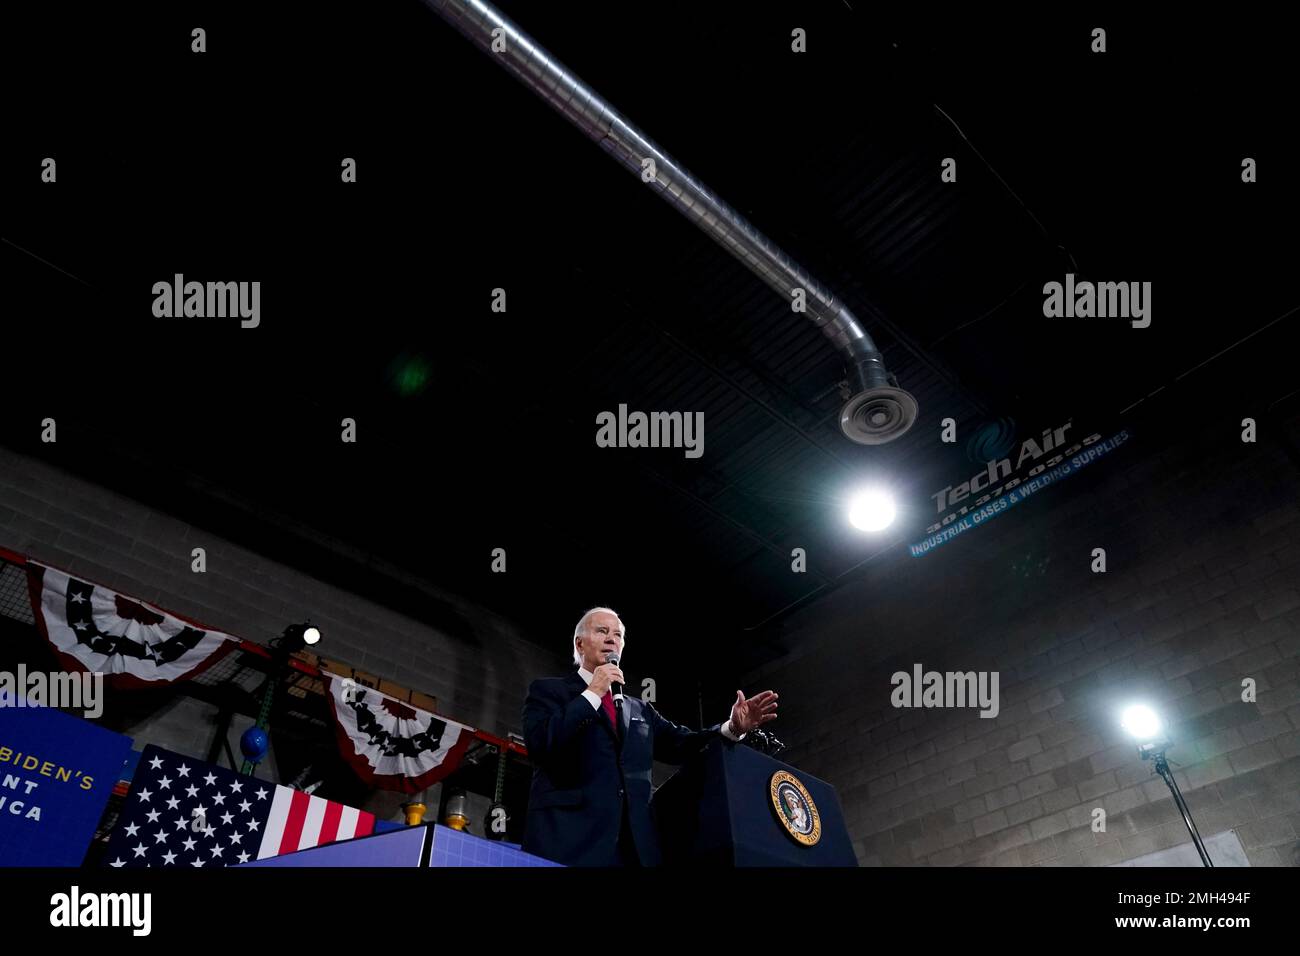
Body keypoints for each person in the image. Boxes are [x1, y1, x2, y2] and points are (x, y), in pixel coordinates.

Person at [521, 606, 778, 866]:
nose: (612, 639)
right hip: (569, 841)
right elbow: (540, 743)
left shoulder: (639, 709)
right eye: (602, 631)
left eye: (618, 635)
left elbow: (682, 744)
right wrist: (593, 693)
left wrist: (732, 728)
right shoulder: (549, 691)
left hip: (633, 851)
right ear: (580, 644)